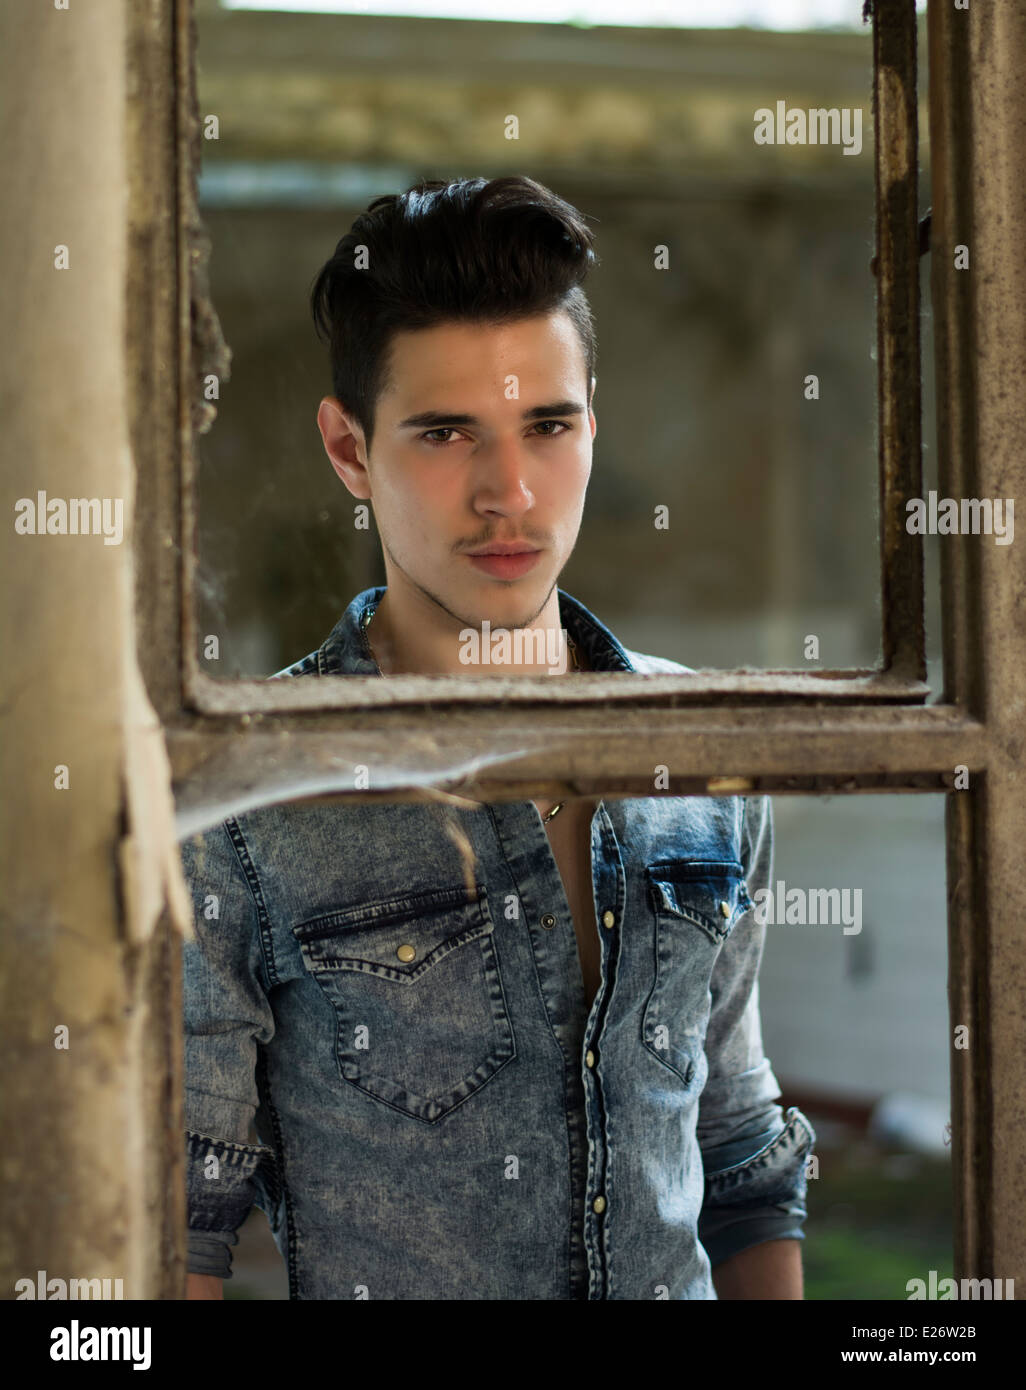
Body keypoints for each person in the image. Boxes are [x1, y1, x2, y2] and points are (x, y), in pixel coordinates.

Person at [181, 175, 815, 1301]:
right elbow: (184, 1217)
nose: (509, 491)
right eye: (445, 432)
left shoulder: (702, 747)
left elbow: (741, 1148)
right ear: (347, 449)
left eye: (548, 426)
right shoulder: (246, 793)